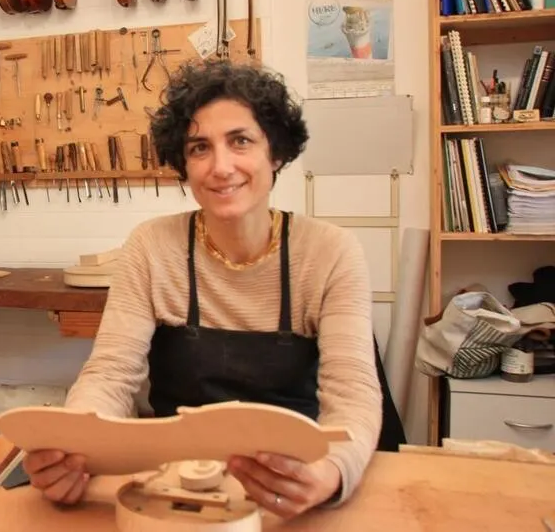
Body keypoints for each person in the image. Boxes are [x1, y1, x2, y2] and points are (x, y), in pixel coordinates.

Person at [24, 60, 384, 520]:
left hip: (290, 490)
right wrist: (75, 448)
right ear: (184, 163)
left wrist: (332, 474)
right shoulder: (152, 247)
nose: (220, 167)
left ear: (276, 153)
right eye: (199, 148)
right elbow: (110, 375)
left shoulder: (331, 253)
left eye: (241, 141)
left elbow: (352, 396)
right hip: (171, 490)